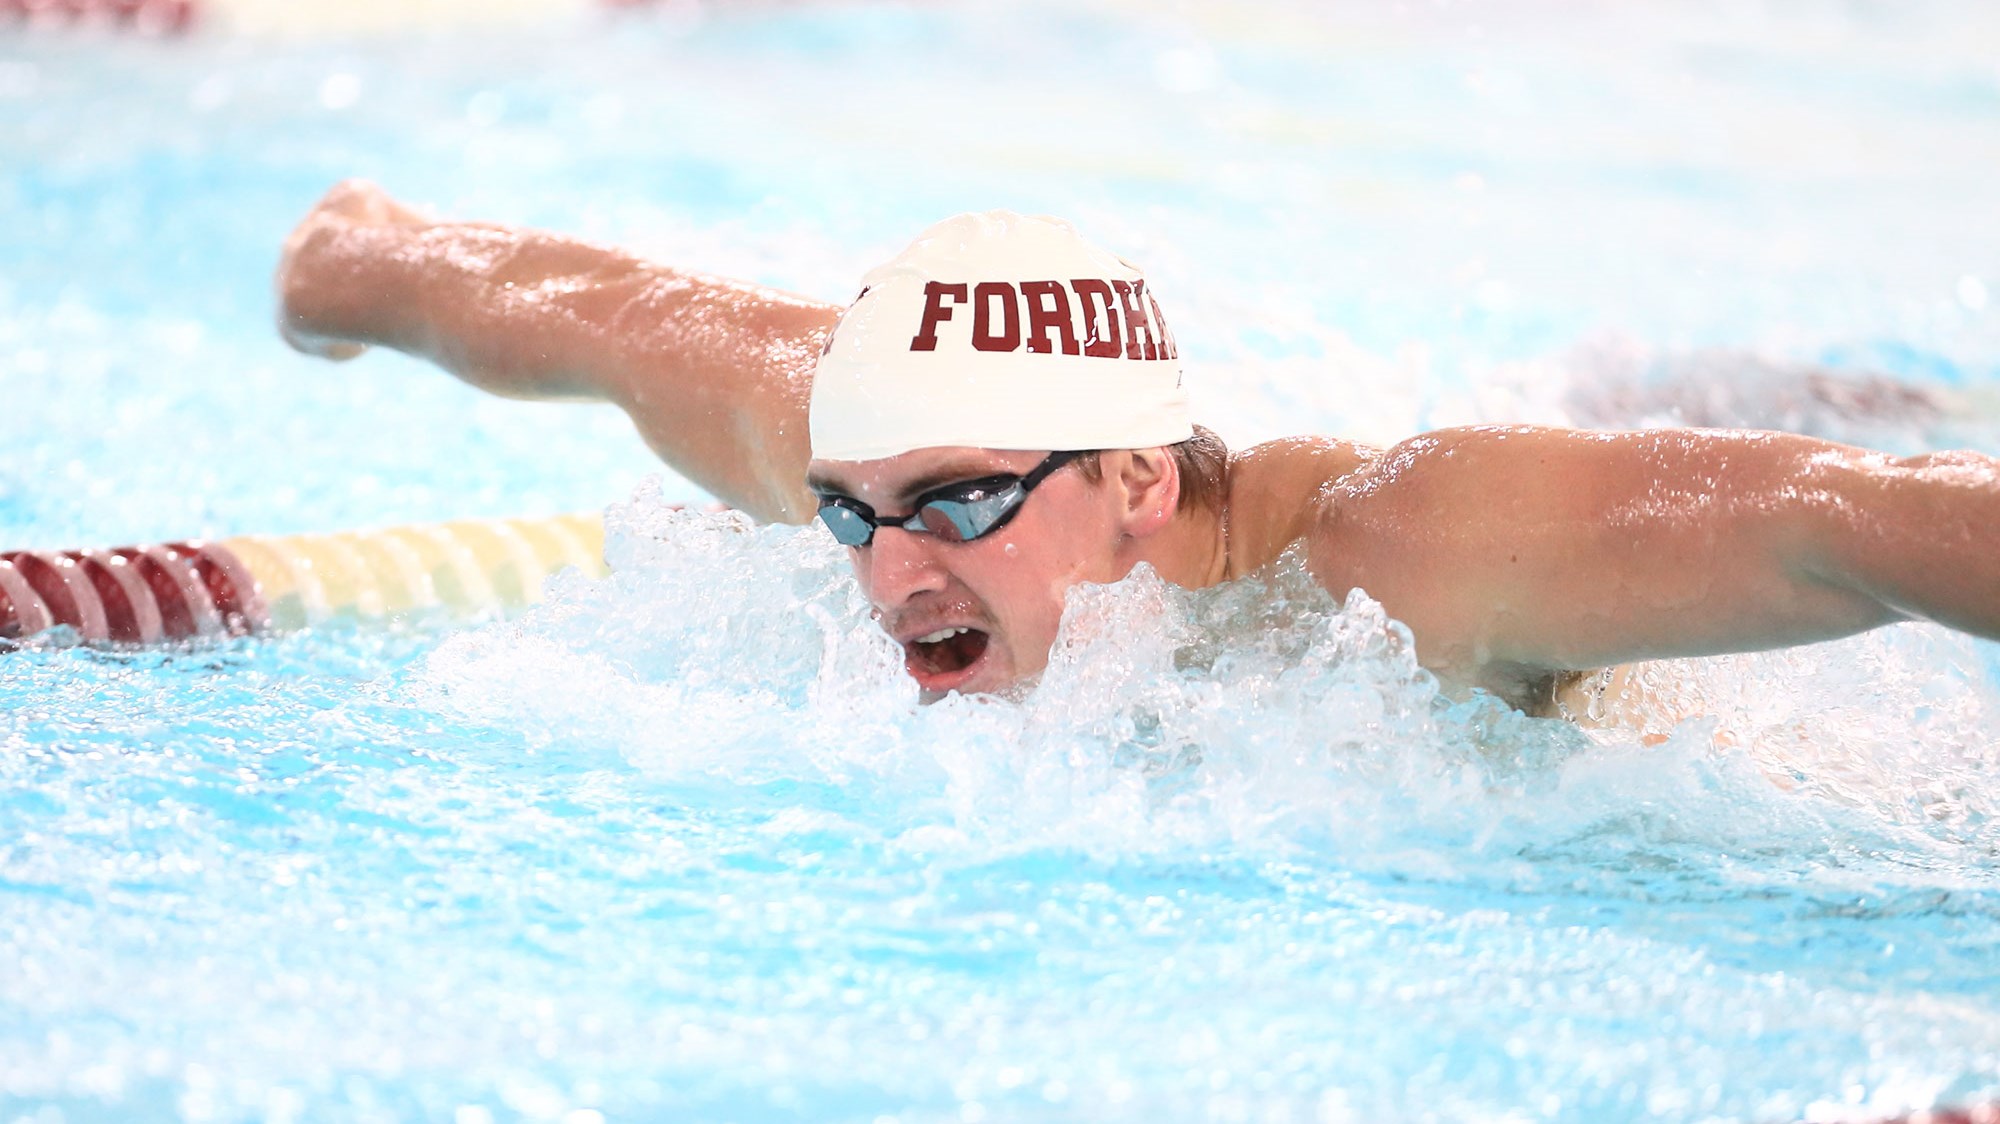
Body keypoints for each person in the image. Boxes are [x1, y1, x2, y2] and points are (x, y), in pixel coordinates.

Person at [276, 180, 2000, 712]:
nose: (888, 570)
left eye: (955, 502)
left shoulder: (1411, 557)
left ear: (1142, 483)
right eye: (848, 515)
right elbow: (581, 307)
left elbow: (1844, 519)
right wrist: (339, 269)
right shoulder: (871, 431)